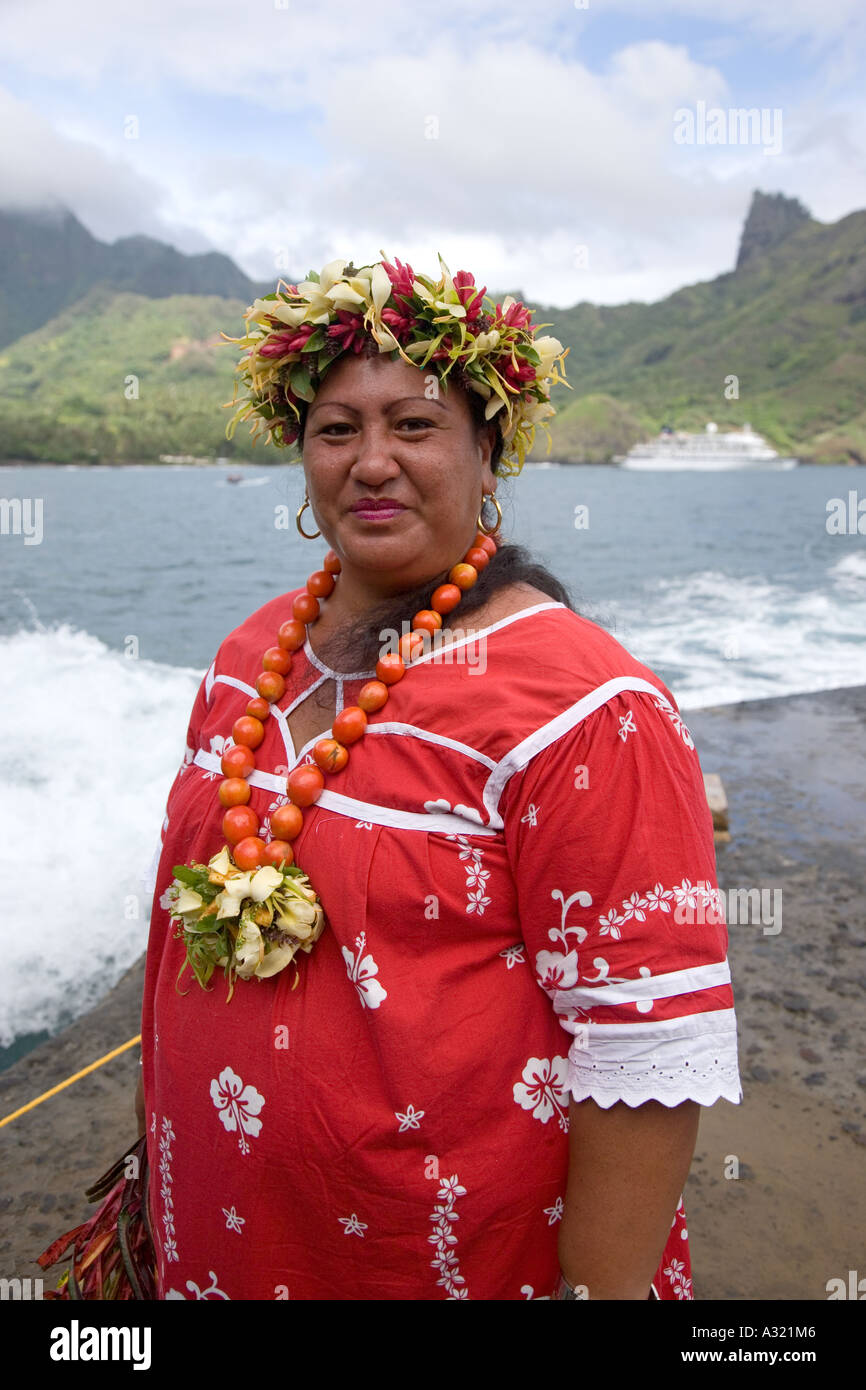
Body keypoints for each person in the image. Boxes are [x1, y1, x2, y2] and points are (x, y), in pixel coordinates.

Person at [138, 254, 742, 1301]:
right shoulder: (246, 655)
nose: (372, 461)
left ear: (486, 450)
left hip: (446, 1264)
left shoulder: (586, 710)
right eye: (337, 429)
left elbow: (645, 1042)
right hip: (216, 1239)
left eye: (413, 425)